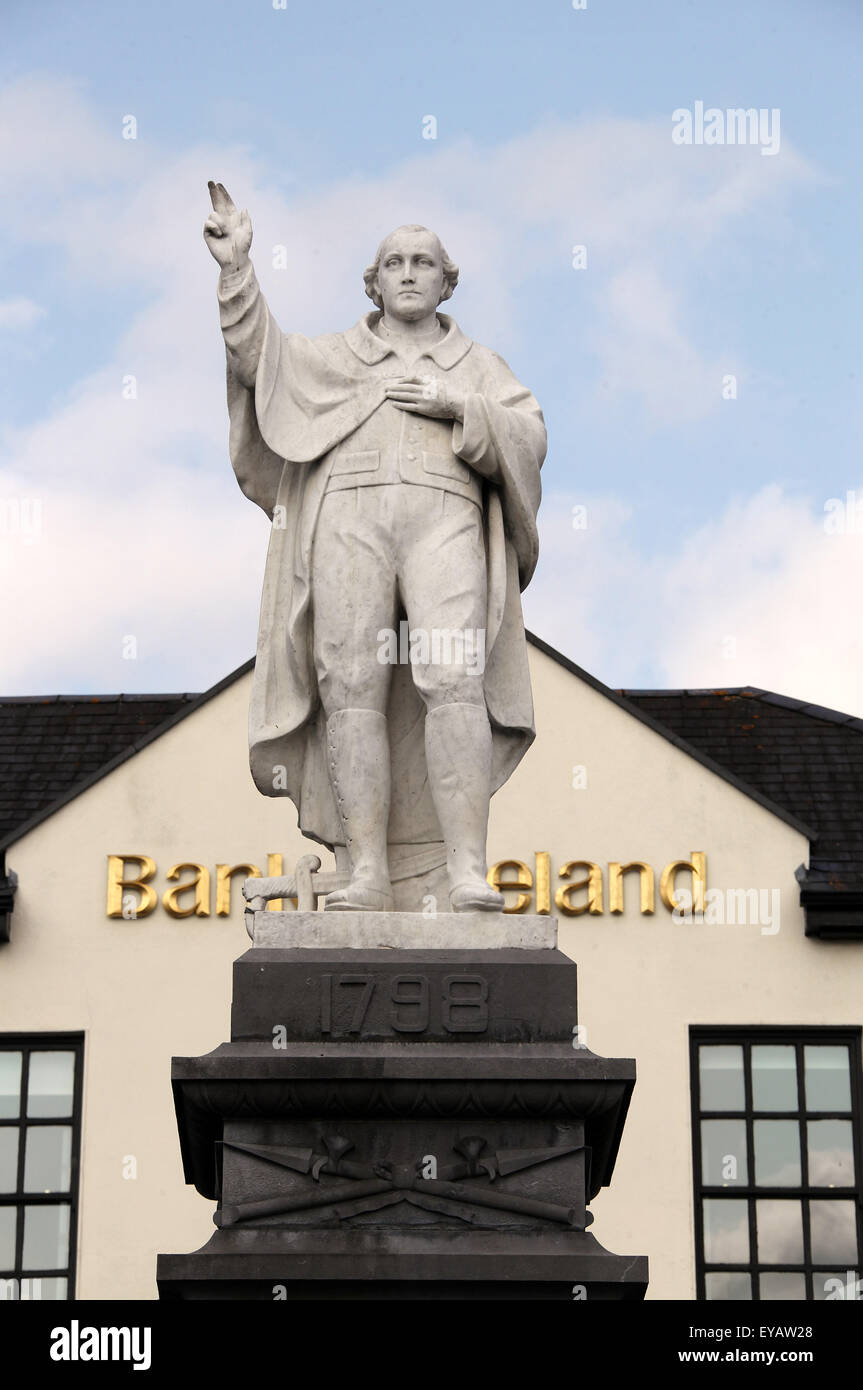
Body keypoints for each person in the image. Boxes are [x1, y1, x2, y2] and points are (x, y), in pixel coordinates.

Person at [204, 182, 545, 913]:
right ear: (375, 280)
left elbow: (529, 435)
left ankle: (465, 871)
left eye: (424, 261)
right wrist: (237, 272)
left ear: (447, 279)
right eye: (394, 262)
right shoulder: (334, 358)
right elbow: (258, 360)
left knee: (453, 680)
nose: (409, 272)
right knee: (349, 684)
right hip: (348, 516)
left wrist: (463, 407)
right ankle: (366, 871)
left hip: (444, 515)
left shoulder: (478, 365)